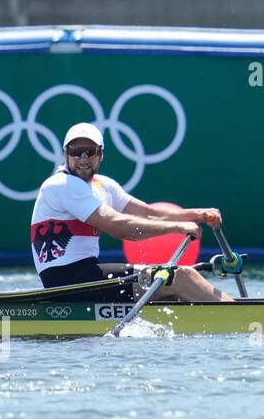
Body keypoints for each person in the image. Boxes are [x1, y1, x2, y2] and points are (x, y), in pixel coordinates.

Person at [30, 122, 231, 301]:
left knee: (171, 286)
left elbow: (150, 213)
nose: (83, 158)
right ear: (65, 154)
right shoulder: (60, 184)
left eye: (90, 151)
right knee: (181, 278)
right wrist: (177, 227)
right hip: (67, 283)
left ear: (101, 154)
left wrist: (200, 215)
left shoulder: (103, 185)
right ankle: (243, 320)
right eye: (76, 150)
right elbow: (118, 226)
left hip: (88, 275)